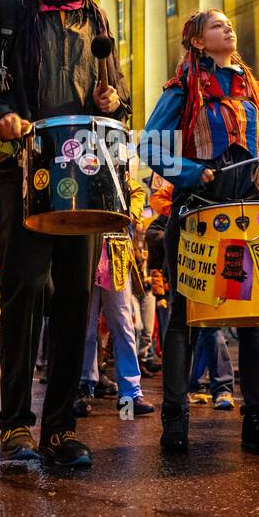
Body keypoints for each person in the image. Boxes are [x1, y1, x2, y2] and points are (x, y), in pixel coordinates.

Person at [0, 0, 129, 468]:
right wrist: (3, 116)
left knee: (76, 301)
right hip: (23, 169)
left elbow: (117, 92)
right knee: (25, 292)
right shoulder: (9, 9)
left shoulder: (96, 16)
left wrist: (113, 101)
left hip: (83, 176)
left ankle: (60, 427)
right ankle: (14, 427)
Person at [140, 8, 259, 455]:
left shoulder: (252, 88)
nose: (228, 27)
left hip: (248, 213)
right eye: (217, 25)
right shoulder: (182, 88)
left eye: (229, 23)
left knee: (254, 319)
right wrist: (192, 172)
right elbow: (151, 144)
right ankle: (175, 422)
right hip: (197, 214)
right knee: (185, 318)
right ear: (196, 41)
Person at [76, 176, 153, 417]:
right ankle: (84, 387)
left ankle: (130, 393)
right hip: (86, 245)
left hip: (116, 250)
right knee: (86, 327)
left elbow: (138, 190)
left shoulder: (118, 160)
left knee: (122, 325)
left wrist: (132, 213)